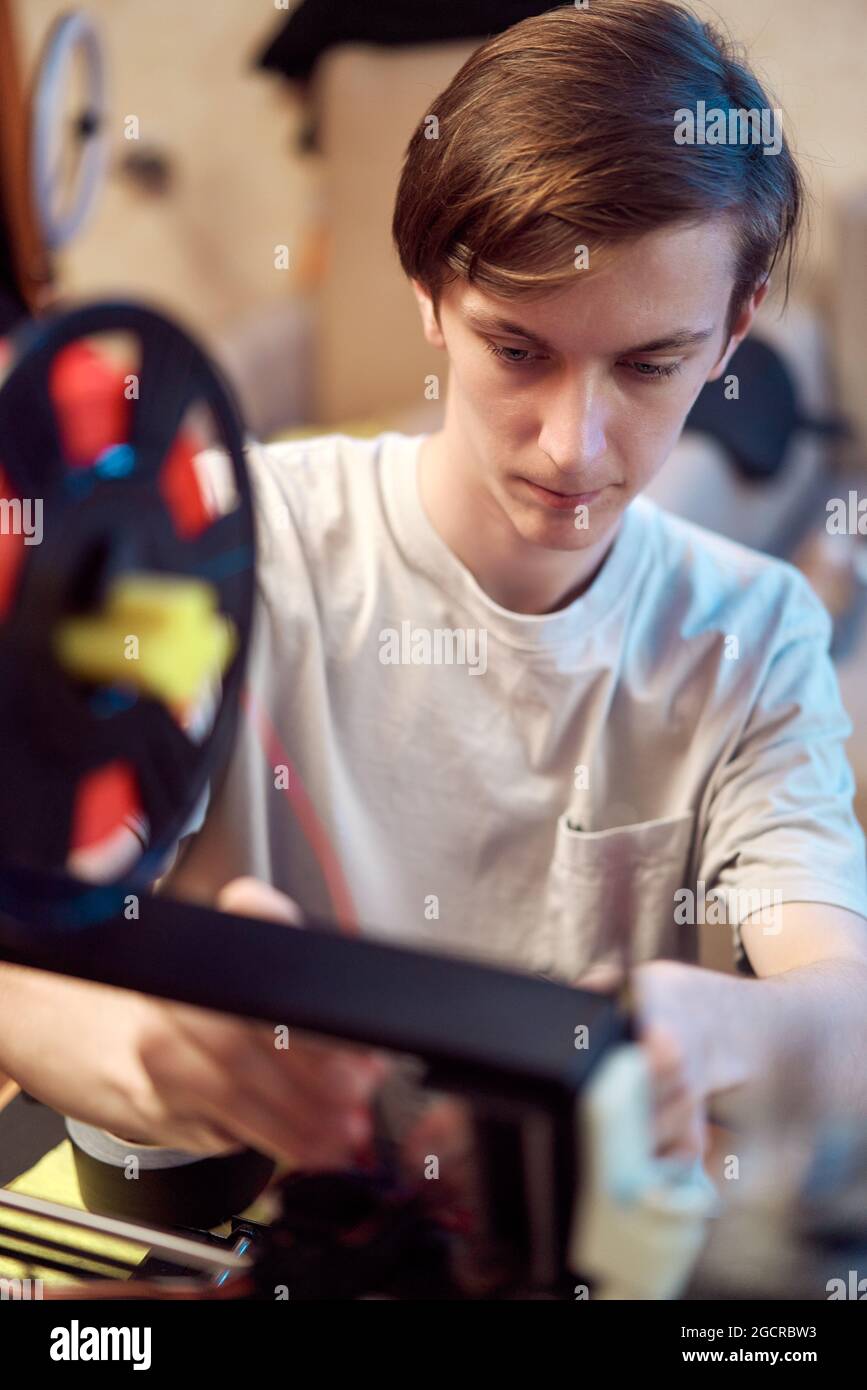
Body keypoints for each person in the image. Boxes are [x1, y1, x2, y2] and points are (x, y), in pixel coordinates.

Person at [2, 0, 866, 1208]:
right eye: (518, 349)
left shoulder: (754, 634)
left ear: (735, 325)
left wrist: (729, 1036)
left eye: (650, 364)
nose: (575, 445)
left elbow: (844, 1012)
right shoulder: (232, 545)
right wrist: (148, 1051)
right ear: (425, 292)